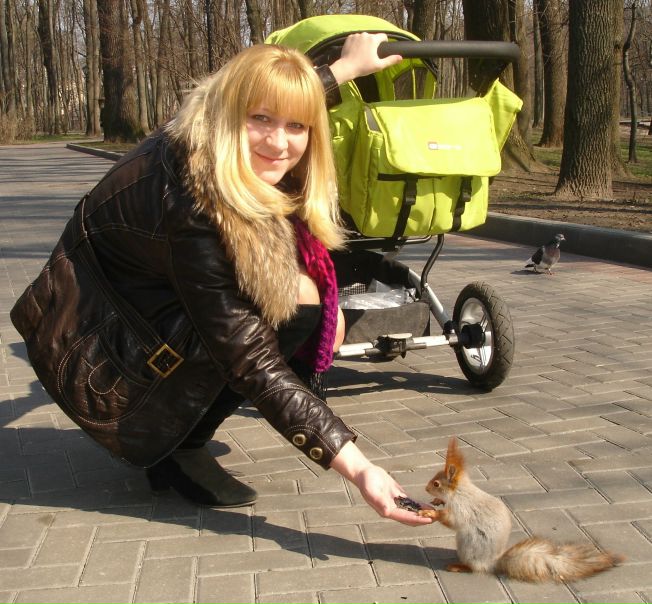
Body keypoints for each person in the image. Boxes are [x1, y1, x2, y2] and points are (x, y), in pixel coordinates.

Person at [61, 34, 433, 527]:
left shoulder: (209, 125)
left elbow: (267, 98)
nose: (279, 143)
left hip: (137, 288)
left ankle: (180, 431)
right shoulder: (193, 203)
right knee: (287, 306)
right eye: (260, 120)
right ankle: (176, 445)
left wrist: (345, 68)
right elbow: (249, 358)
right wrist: (361, 470)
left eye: (297, 125)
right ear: (231, 117)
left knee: (303, 293)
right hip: (97, 336)